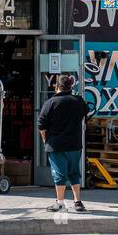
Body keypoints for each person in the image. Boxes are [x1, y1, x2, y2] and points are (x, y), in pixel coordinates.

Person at [37, 74, 89, 212]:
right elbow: (86, 112)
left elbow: (41, 125)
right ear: (71, 86)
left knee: (59, 174)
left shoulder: (50, 103)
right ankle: (78, 202)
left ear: (57, 86)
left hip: (56, 145)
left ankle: (60, 203)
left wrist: (45, 140)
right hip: (75, 144)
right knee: (74, 172)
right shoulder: (78, 101)